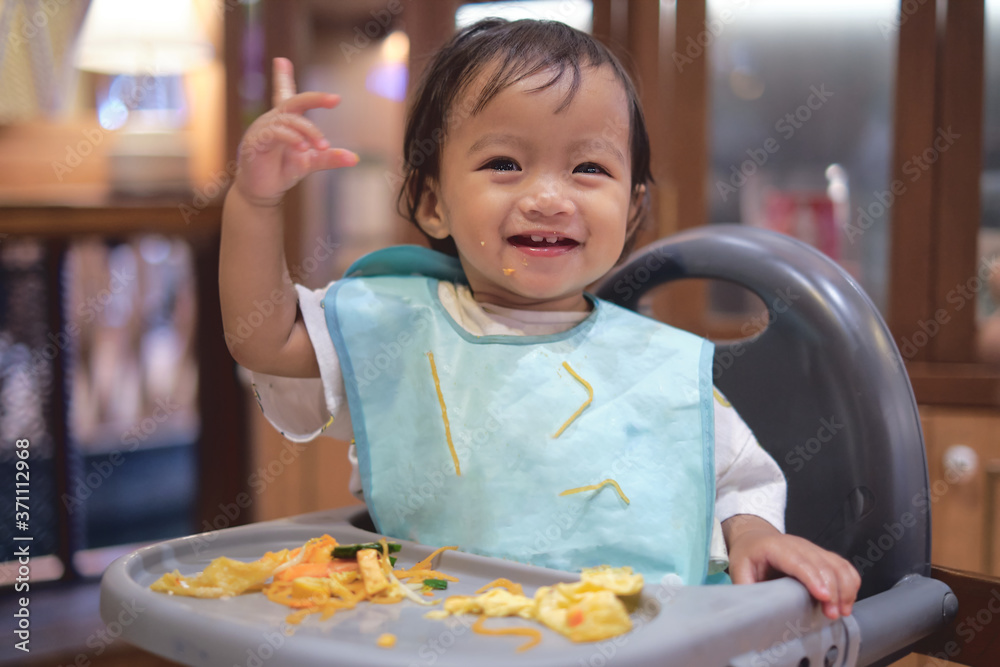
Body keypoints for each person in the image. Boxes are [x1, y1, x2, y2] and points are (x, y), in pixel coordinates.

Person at [220, 18, 860, 620]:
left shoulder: (660, 366)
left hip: (645, 643)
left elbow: (733, 481)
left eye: (589, 168)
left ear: (632, 210)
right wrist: (255, 201)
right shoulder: (399, 329)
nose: (549, 198)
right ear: (430, 200)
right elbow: (263, 336)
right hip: (437, 639)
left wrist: (752, 535)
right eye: (504, 164)